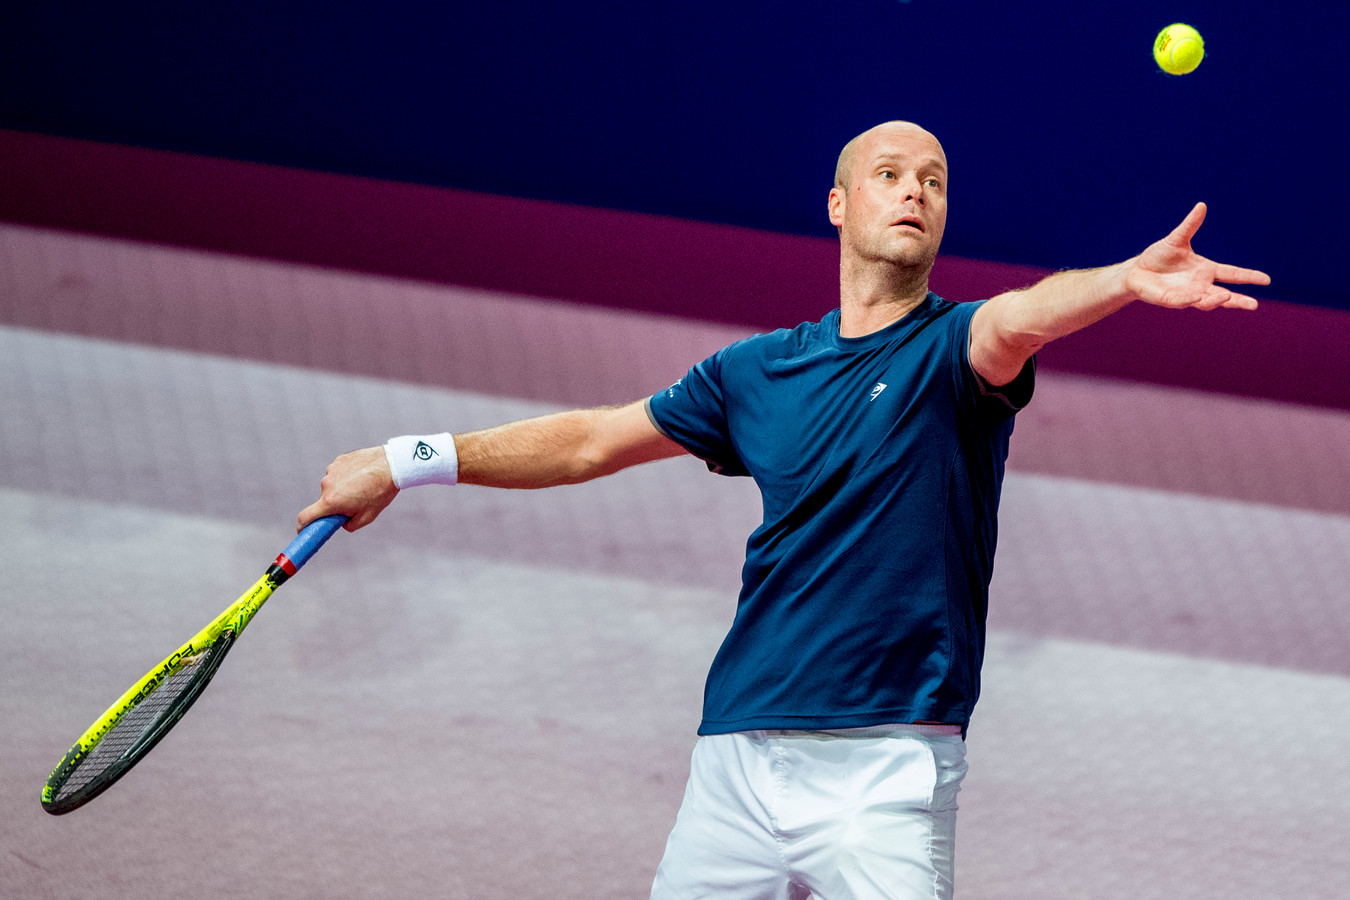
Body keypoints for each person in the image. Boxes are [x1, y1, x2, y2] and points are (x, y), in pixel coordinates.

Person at [298, 121, 1269, 899]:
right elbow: (594, 442)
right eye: (891, 174)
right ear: (841, 206)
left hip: (888, 759)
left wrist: (1122, 283)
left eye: (932, 180)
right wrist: (403, 460)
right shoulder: (756, 373)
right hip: (738, 750)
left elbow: (1025, 312)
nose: (915, 192)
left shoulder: (956, 353)